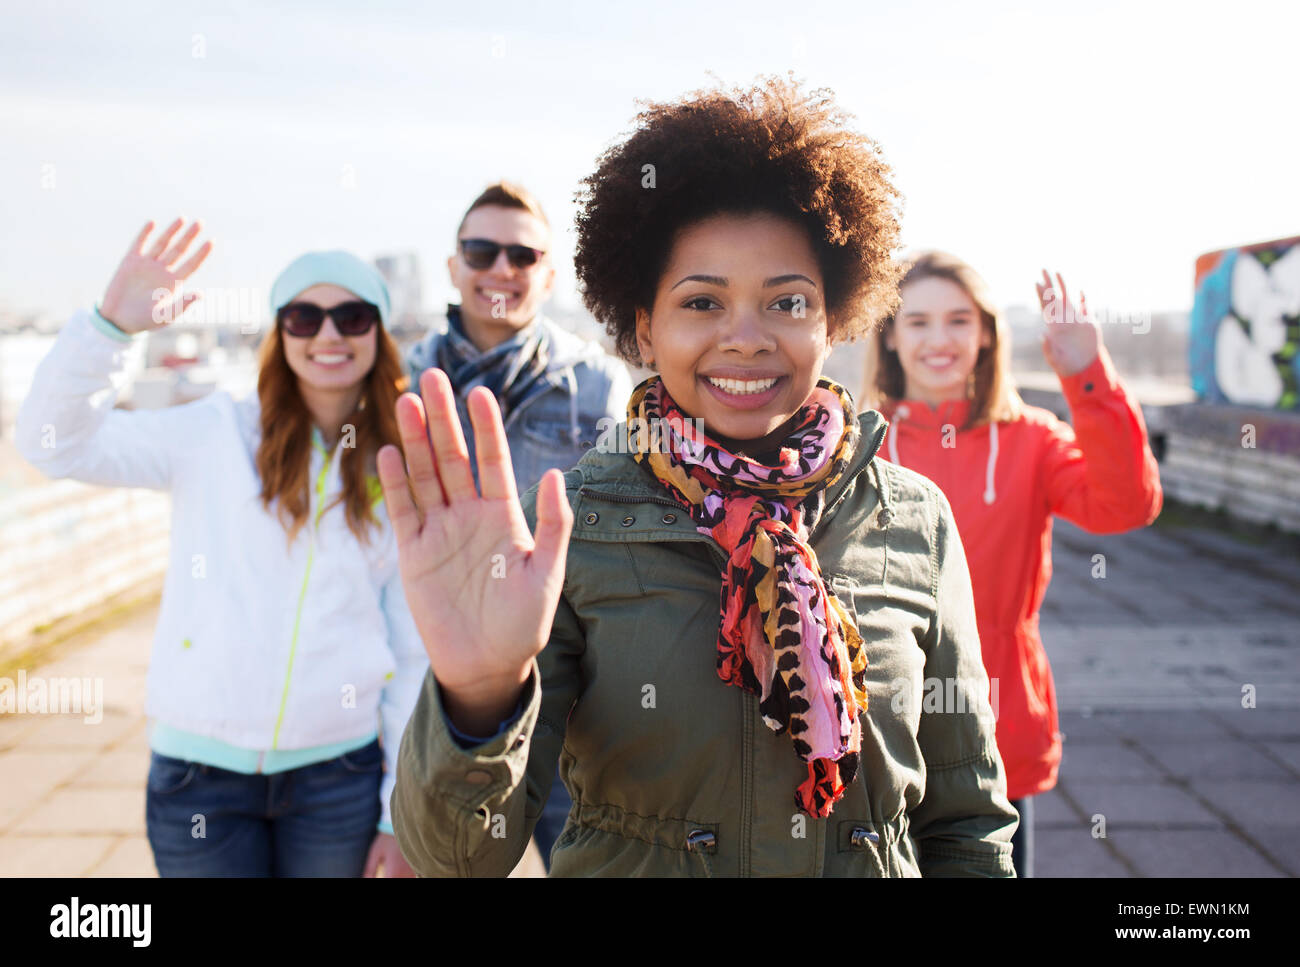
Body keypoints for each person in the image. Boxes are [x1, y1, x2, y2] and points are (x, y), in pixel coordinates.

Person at [385, 77, 1019, 877]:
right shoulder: (578, 523)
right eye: (702, 303)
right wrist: (476, 699)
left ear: (835, 318)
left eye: (787, 302)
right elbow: (458, 856)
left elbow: (968, 824)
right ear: (645, 328)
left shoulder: (914, 519)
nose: (747, 338)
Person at [16, 221, 429, 877]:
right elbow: (49, 443)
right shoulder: (214, 431)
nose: (328, 334)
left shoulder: (403, 460)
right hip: (199, 782)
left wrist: (396, 810)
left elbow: (411, 648)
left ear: (378, 333)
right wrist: (110, 329)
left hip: (338, 777)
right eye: (304, 316)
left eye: (351, 315)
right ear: (279, 331)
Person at [860, 251, 1163, 876]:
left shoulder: (1031, 437)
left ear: (986, 332)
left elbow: (1127, 503)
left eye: (958, 321)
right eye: (917, 322)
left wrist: (1088, 376)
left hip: (997, 714)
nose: (938, 340)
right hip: (876, 715)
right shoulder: (854, 440)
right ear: (889, 334)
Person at [404, 182, 632, 870]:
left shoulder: (597, 383)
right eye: (481, 250)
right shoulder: (406, 381)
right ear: (453, 267)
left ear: (548, 274)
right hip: (447, 689)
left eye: (522, 254)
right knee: (451, 860)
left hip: (573, 693)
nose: (501, 268)